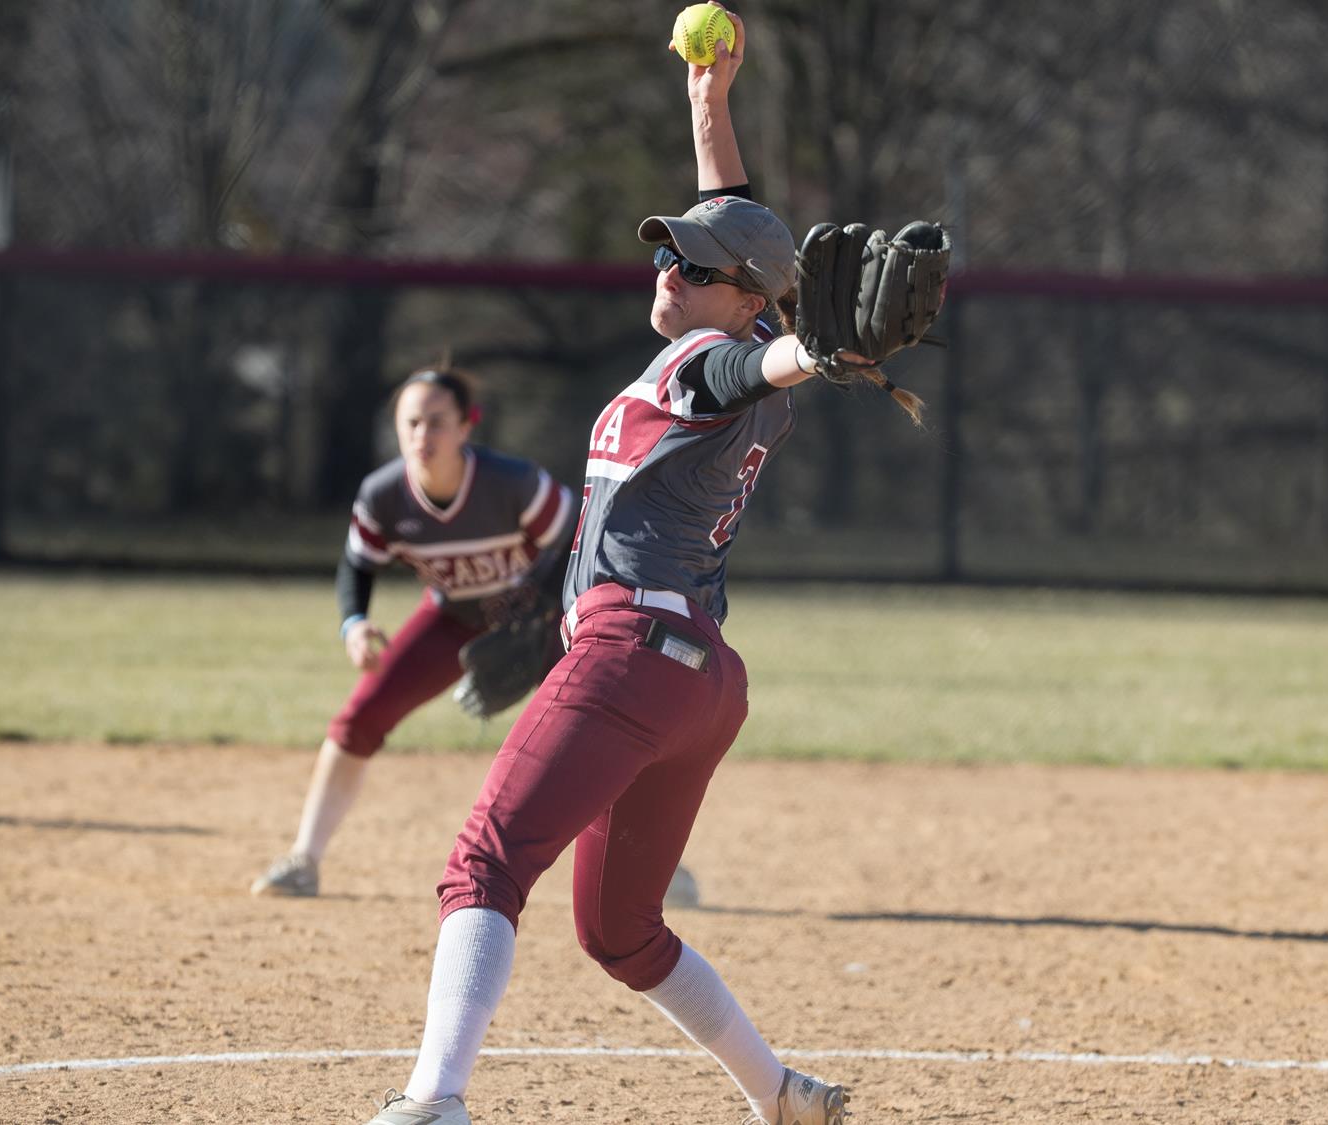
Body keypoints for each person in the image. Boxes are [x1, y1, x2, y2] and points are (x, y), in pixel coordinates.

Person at [363, 12, 919, 1125]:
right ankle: (780, 1096)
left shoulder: (715, 364)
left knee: (481, 863)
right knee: (620, 932)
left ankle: (436, 1101)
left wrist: (815, 351)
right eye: (663, 250)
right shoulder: (707, 329)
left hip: (629, 658)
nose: (668, 267)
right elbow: (742, 265)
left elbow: (759, 360)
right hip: (697, 677)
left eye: (693, 265)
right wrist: (707, 111)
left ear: (744, 298)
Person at [248, 367, 581, 900]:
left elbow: (581, 539)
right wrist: (354, 623)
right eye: (411, 423)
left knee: (592, 734)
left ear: (466, 427)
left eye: (436, 423)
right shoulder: (384, 497)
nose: (423, 436)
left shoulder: (510, 483)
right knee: (358, 719)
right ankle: (303, 859)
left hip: (545, 619)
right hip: (454, 620)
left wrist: (548, 613)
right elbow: (357, 565)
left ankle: (660, 869)